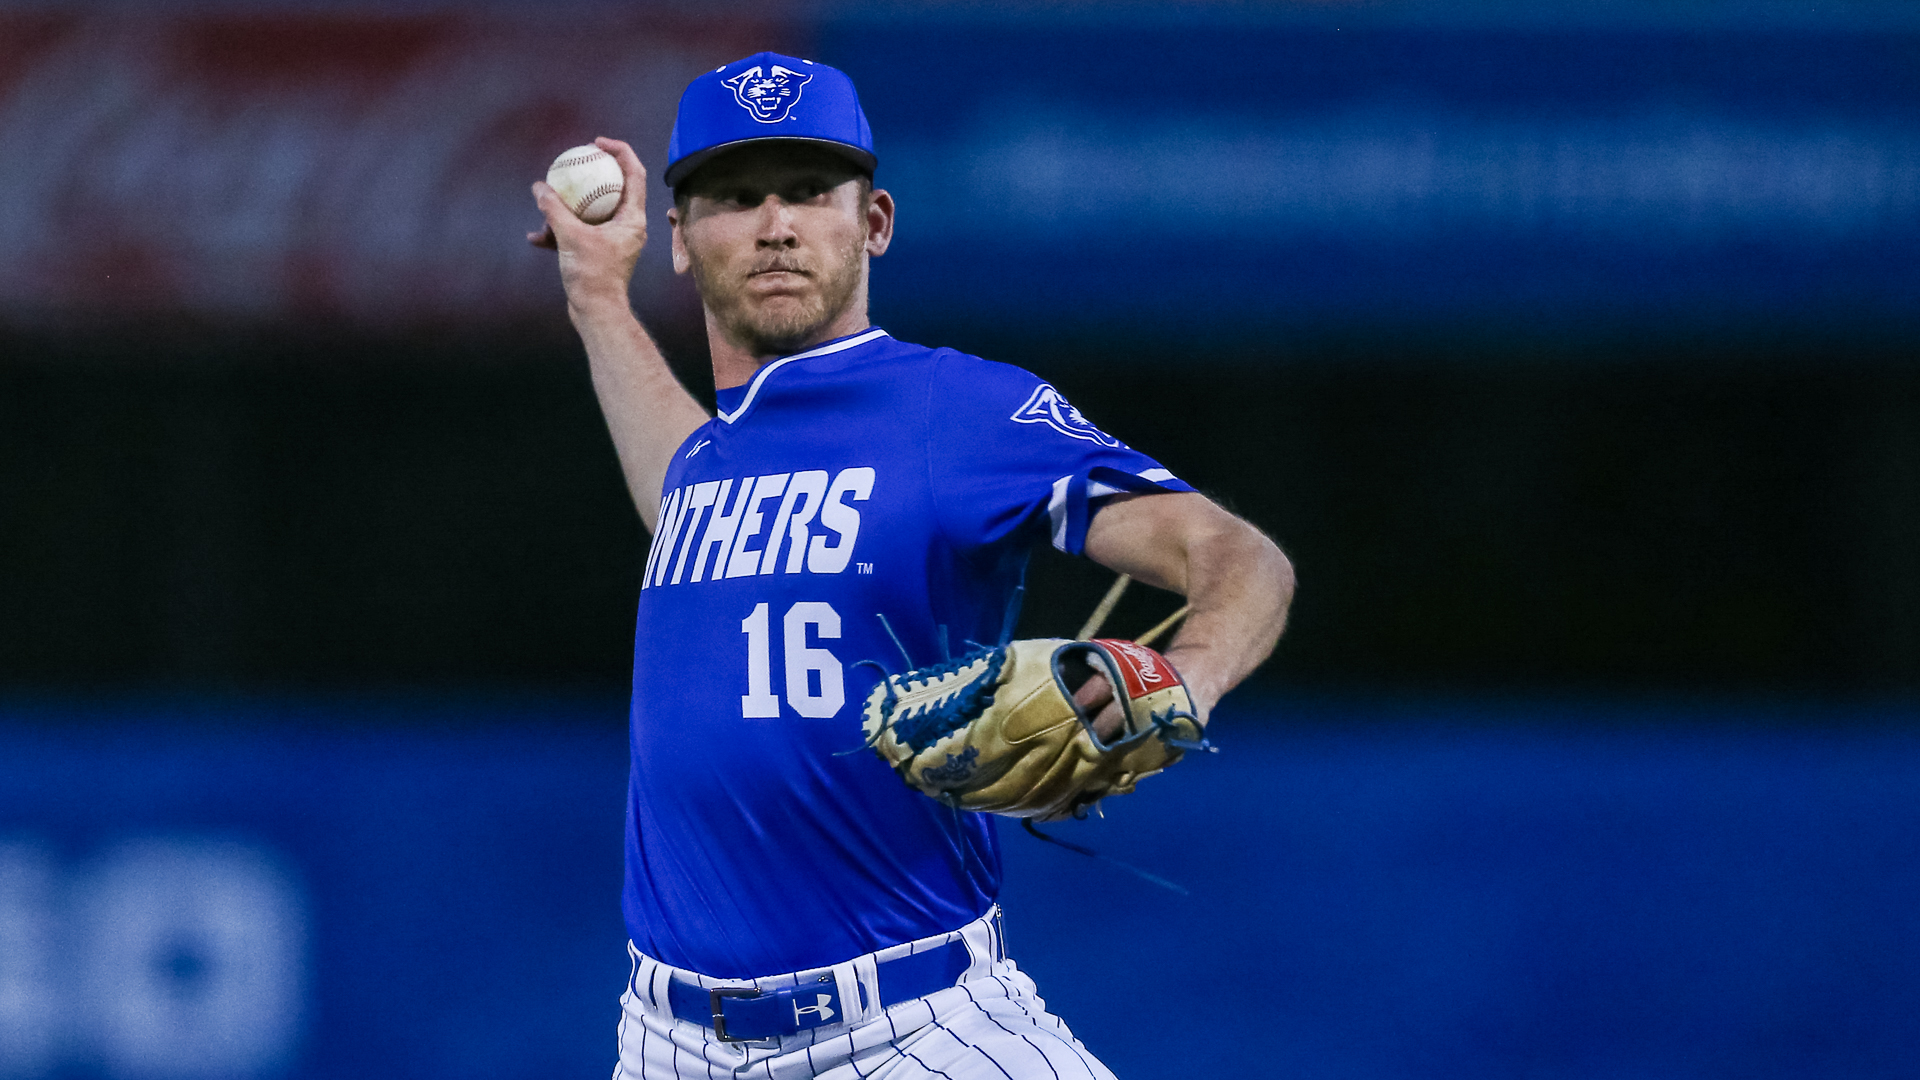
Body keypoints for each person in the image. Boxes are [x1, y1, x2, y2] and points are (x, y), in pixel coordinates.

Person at [530, 53, 1293, 1080]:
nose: (775, 225)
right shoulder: (712, 460)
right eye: (733, 196)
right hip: (666, 1044)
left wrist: (1184, 677)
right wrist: (593, 293)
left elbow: (1239, 556)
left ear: (874, 222)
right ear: (680, 238)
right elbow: (682, 497)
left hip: (912, 1031)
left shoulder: (956, 411)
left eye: (809, 191)